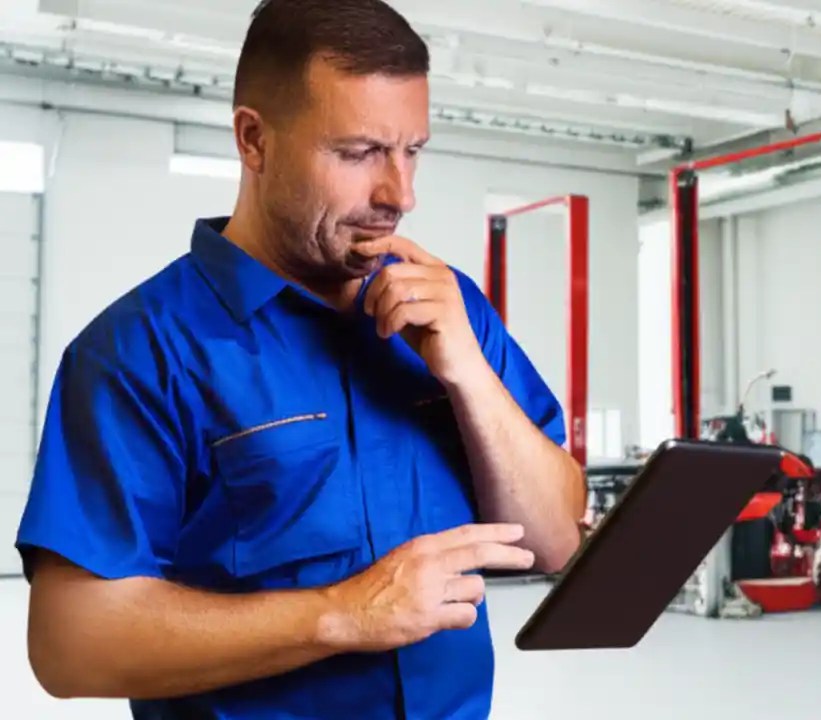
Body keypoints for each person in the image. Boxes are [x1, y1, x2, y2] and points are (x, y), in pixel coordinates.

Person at [16, 0, 586, 717]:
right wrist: (343, 614)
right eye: (357, 154)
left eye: (413, 151)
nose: (399, 194)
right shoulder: (140, 352)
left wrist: (470, 375)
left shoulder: (453, 311)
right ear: (254, 140)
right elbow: (71, 643)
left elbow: (558, 541)